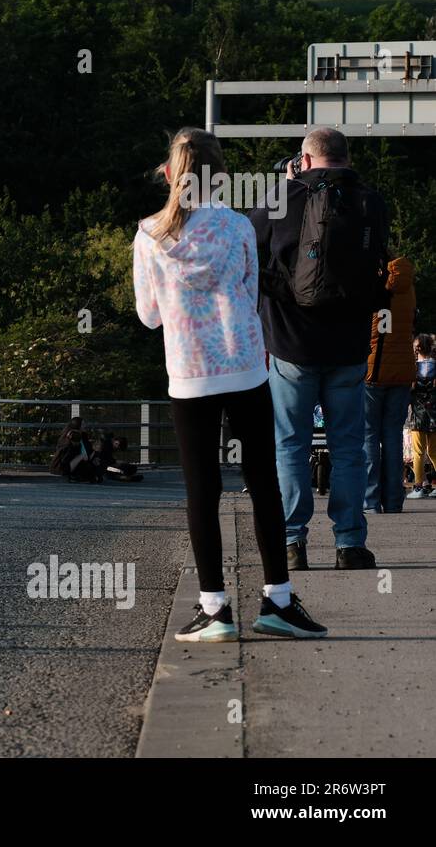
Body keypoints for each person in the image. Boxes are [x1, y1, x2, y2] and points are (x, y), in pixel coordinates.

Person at [136, 127, 325, 641]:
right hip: (244, 366)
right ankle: (278, 602)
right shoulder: (240, 226)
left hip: (189, 373)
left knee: (203, 491)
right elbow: (248, 292)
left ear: (170, 173)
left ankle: (214, 608)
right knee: (263, 483)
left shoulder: (150, 233)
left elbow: (149, 316)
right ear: (220, 175)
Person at [250, 127, 388, 572]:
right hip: (349, 345)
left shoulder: (282, 197)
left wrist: (286, 186)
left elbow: (248, 253)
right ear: (346, 158)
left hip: (291, 344)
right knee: (349, 446)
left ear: (305, 159)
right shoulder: (371, 201)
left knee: (290, 444)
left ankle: (292, 543)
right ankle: (350, 545)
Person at [364, 256, 416, 513]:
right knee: (393, 435)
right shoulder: (409, 288)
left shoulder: (375, 284)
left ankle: (371, 500)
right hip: (403, 369)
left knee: (369, 435)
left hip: (374, 370)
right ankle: (394, 500)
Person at [407, 334, 436, 499]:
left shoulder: (412, 368)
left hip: (417, 415)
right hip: (435, 414)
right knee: (434, 452)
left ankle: (418, 487)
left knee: (418, 452)